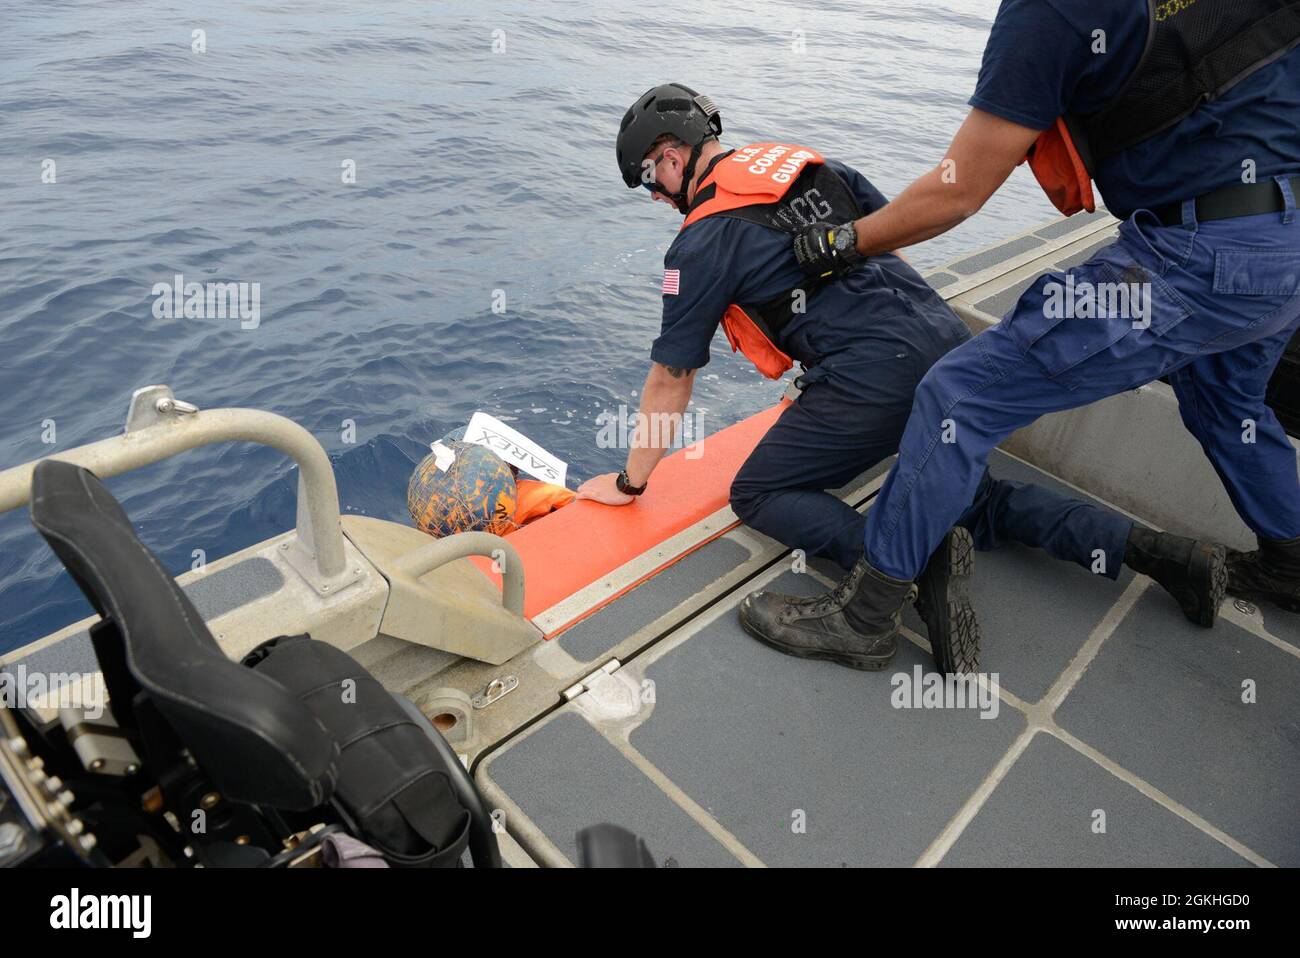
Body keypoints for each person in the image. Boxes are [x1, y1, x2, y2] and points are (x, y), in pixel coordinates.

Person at [577, 83, 1226, 674]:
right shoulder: (803, 163)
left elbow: (671, 376)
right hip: (944, 342)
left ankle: (903, 564)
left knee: (759, 491)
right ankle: (1167, 555)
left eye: (649, 181)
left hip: (875, 372)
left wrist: (633, 481)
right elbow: (890, 240)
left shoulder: (700, 240)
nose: (658, 198)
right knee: (981, 499)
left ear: (668, 153)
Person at [743, 1, 1300, 659]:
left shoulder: (1052, 10)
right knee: (1225, 403)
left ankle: (866, 618)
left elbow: (958, 191)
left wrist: (843, 241)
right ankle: (1289, 563)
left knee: (960, 395)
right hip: (1283, 248)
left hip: (1193, 260)